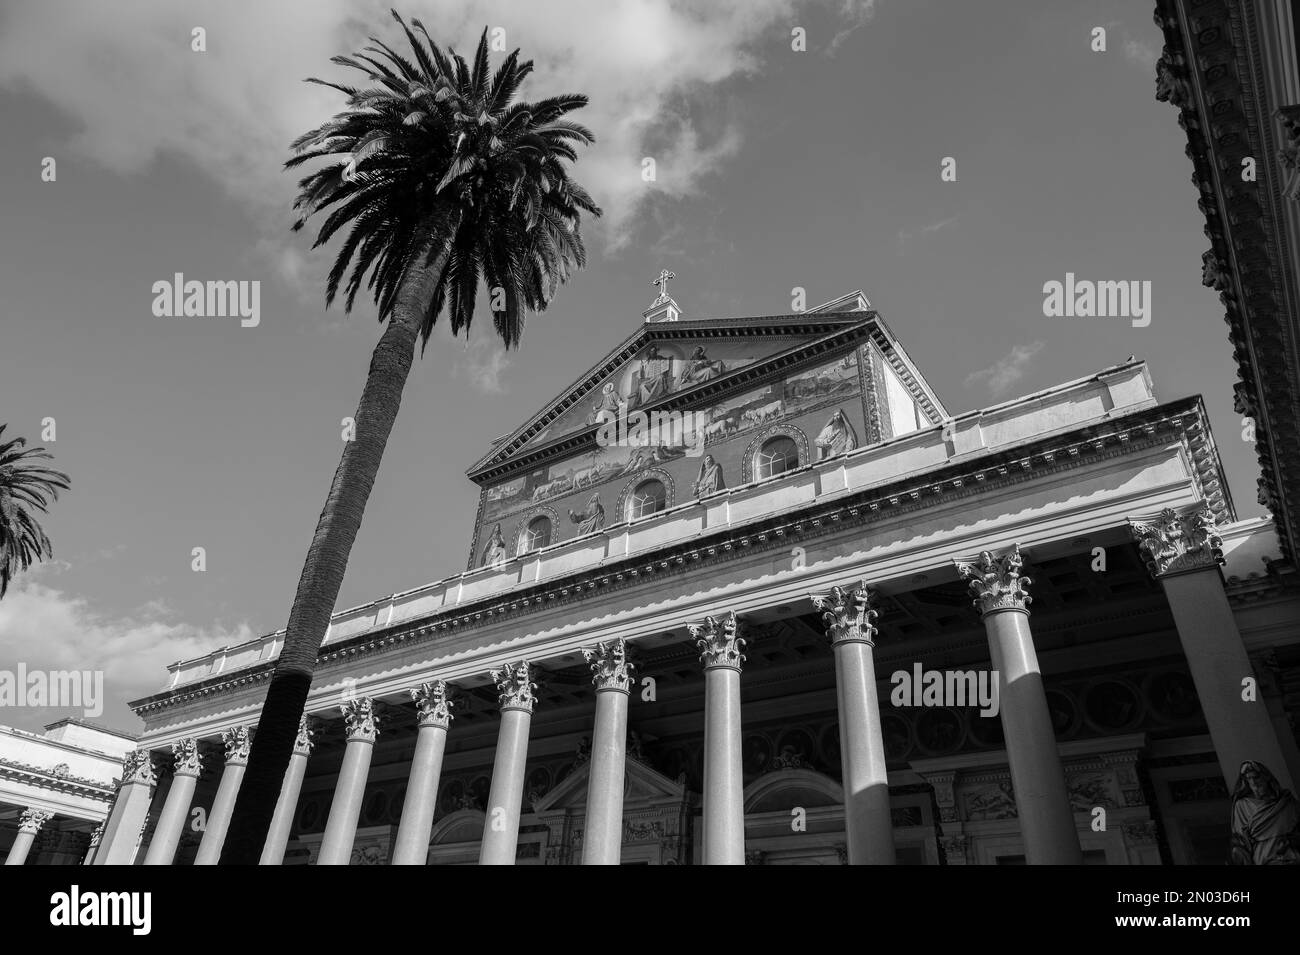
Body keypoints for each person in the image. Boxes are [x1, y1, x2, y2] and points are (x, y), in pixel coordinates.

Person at [1229, 760, 1300, 864]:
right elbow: (1241, 840)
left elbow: (1297, 826)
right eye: (1249, 778)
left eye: (1256, 777)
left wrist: (1292, 841)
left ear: (1266, 777)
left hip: (1290, 855)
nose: (1253, 782)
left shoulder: (1285, 801)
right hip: (1264, 857)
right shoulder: (1242, 805)